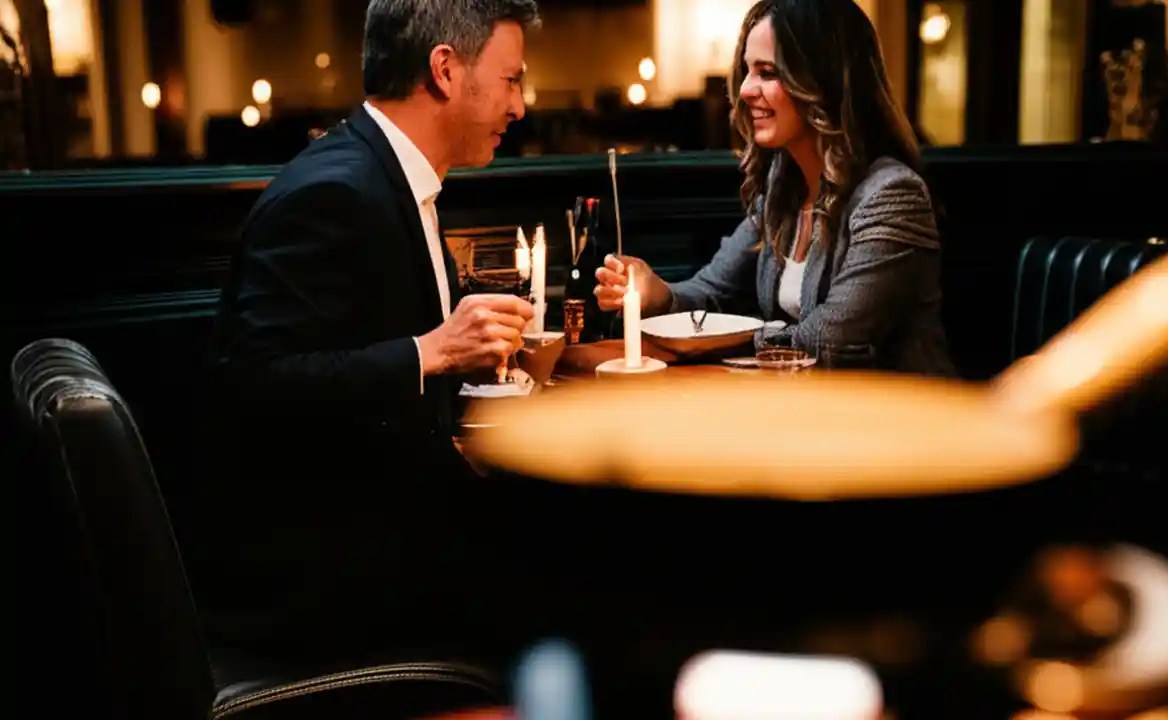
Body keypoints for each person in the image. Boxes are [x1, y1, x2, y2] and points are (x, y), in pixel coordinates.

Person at [190, 0, 540, 672]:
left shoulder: (389, 176)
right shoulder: (336, 192)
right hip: (319, 589)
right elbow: (252, 382)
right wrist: (433, 350)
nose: (519, 106)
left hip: (367, 539)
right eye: (510, 80)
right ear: (444, 70)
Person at [595, 0, 954, 375]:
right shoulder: (783, 189)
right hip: (810, 414)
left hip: (900, 421)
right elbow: (711, 291)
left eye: (767, 72)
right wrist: (657, 294)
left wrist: (715, 344)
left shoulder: (891, 194)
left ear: (822, 80)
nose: (747, 89)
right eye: (747, 71)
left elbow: (833, 340)